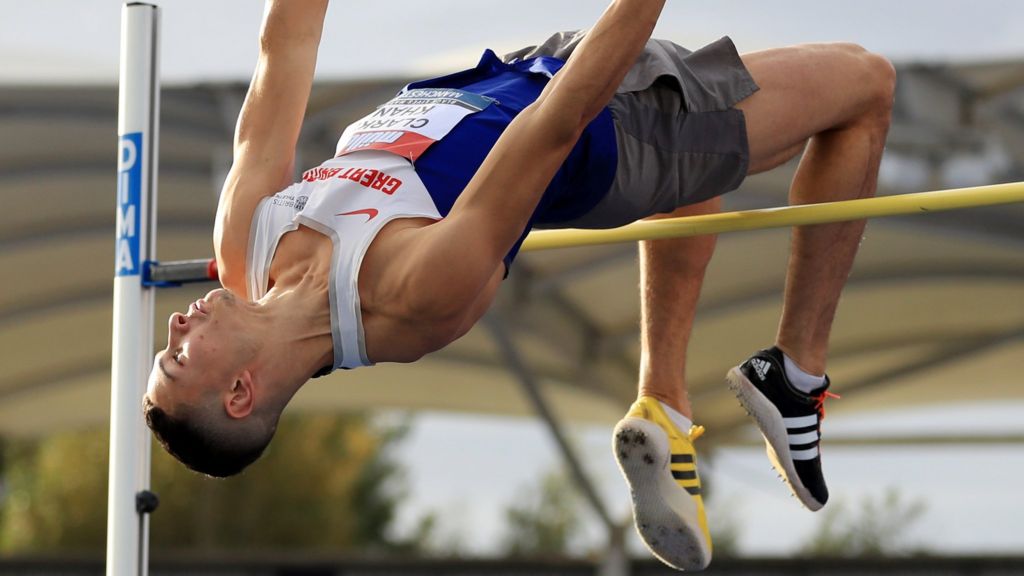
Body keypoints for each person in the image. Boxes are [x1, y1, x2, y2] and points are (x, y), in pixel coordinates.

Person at [143, 0, 895, 570]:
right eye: (180, 356)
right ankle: (795, 375)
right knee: (863, 84)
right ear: (241, 393)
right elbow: (555, 125)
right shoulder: (411, 297)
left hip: (509, 73)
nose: (175, 327)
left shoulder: (245, 246)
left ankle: (663, 404)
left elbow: (285, 50)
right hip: (617, 123)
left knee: (707, 174)